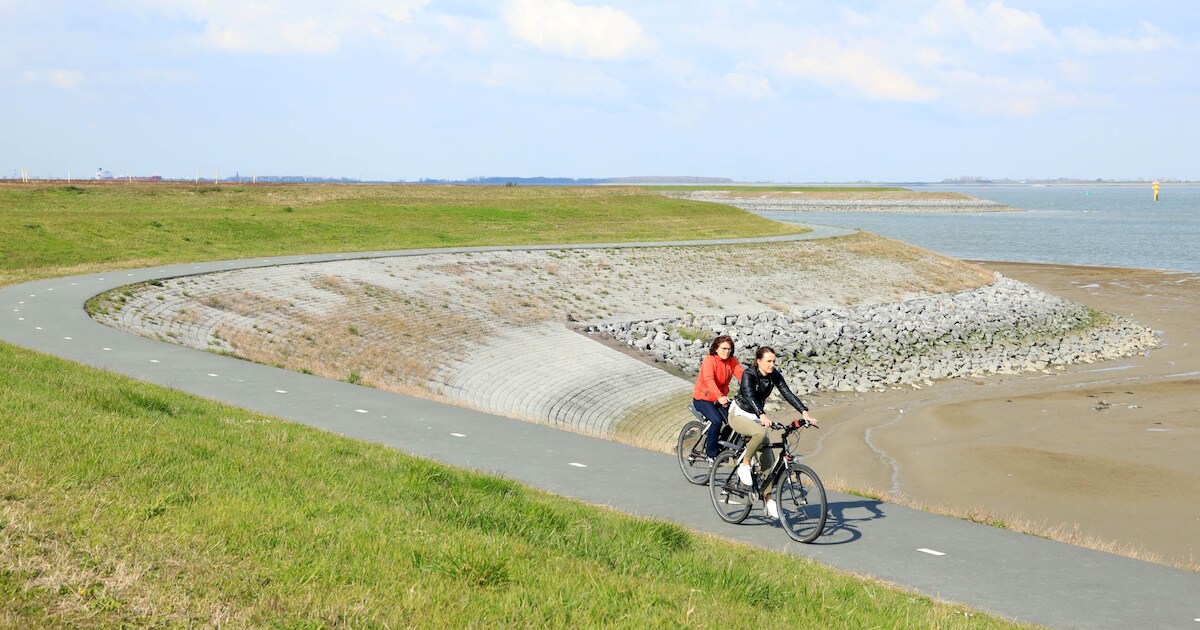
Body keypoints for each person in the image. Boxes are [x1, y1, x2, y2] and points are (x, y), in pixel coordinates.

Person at [730, 346, 818, 520]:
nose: (772, 365)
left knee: (767, 460)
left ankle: (769, 500)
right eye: (769, 361)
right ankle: (744, 464)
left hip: (757, 417)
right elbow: (749, 395)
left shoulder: (773, 375)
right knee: (760, 433)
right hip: (739, 413)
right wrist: (761, 414)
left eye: (774, 361)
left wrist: (804, 412)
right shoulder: (749, 374)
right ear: (759, 361)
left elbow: (786, 392)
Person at [691, 335, 743, 459]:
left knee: (733, 421)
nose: (727, 352)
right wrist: (719, 396)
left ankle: (720, 446)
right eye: (724, 348)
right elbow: (709, 380)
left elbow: (742, 375)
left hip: (720, 398)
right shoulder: (710, 360)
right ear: (716, 348)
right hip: (703, 398)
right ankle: (711, 454)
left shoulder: (732, 361)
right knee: (716, 420)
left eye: (729, 349)